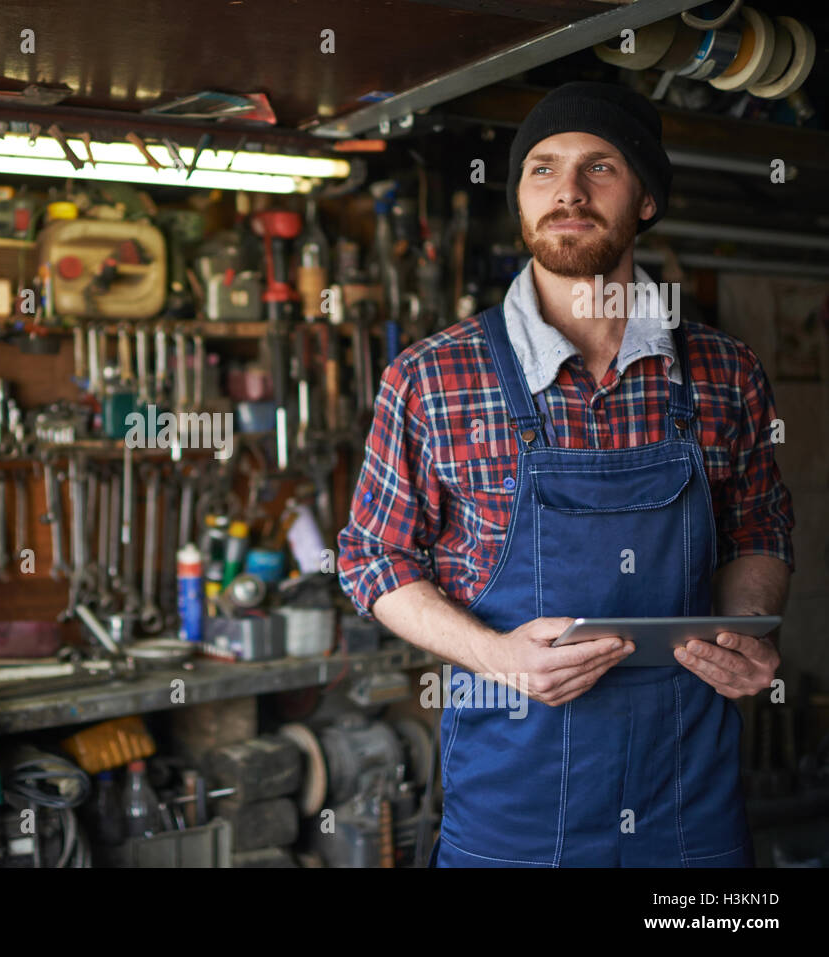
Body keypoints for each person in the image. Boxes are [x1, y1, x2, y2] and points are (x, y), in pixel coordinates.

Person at [337, 81, 794, 867]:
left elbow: (759, 527)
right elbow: (372, 558)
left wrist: (745, 625)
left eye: (600, 168)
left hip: (689, 803)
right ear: (519, 197)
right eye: (542, 169)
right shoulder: (432, 376)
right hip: (513, 805)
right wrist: (498, 655)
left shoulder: (724, 370)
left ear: (646, 198)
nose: (568, 192)